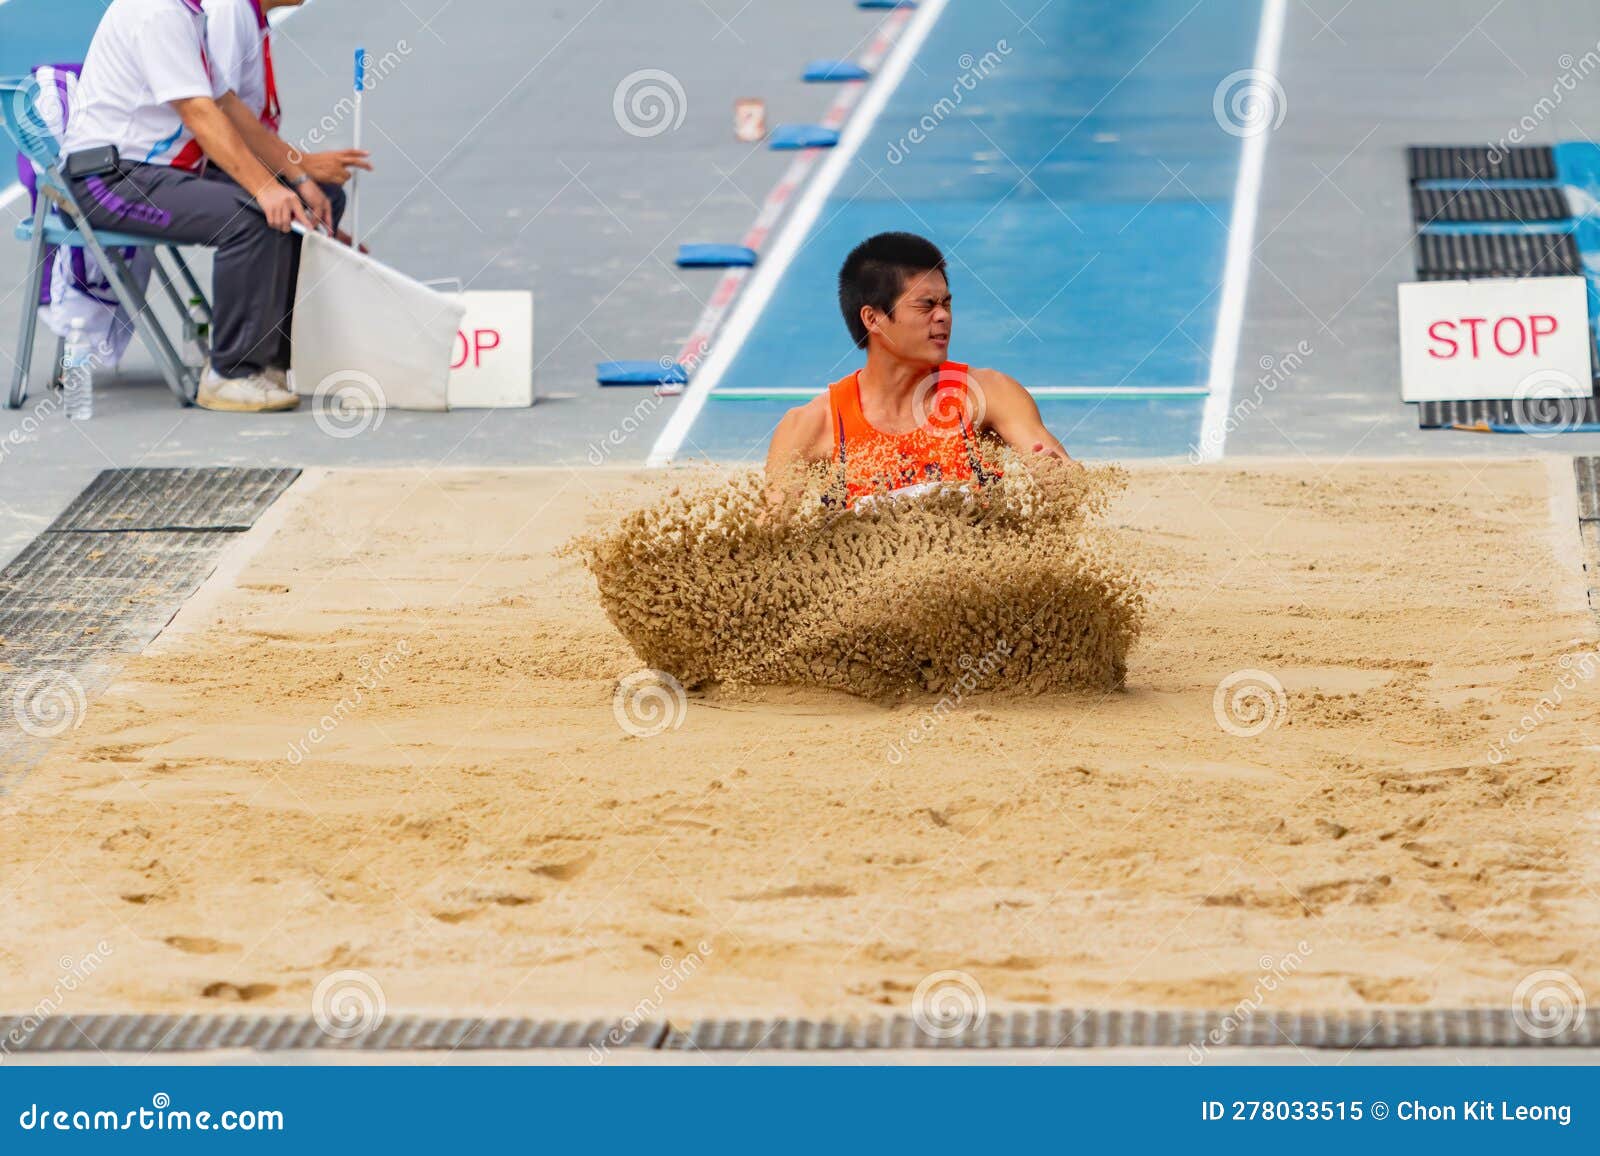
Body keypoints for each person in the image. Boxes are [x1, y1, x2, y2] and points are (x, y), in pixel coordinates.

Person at [60, 0, 331, 411]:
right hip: (108, 180)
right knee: (254, 217)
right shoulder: (157, 12)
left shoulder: (190, 13)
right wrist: (265, 189)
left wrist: (297, 177)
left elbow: (228, 109)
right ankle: (229, 374)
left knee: (291, 205)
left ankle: (273, 360)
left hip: (158, 173)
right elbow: (200, 114)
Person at [764, 232, 1073, 509]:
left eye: (946, 304)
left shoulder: (987, 394)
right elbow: (768, 541)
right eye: (926, 306)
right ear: (873, 319)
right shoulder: (810, 427)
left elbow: (1072, 489)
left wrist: (1062, 480)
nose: (943, 317)